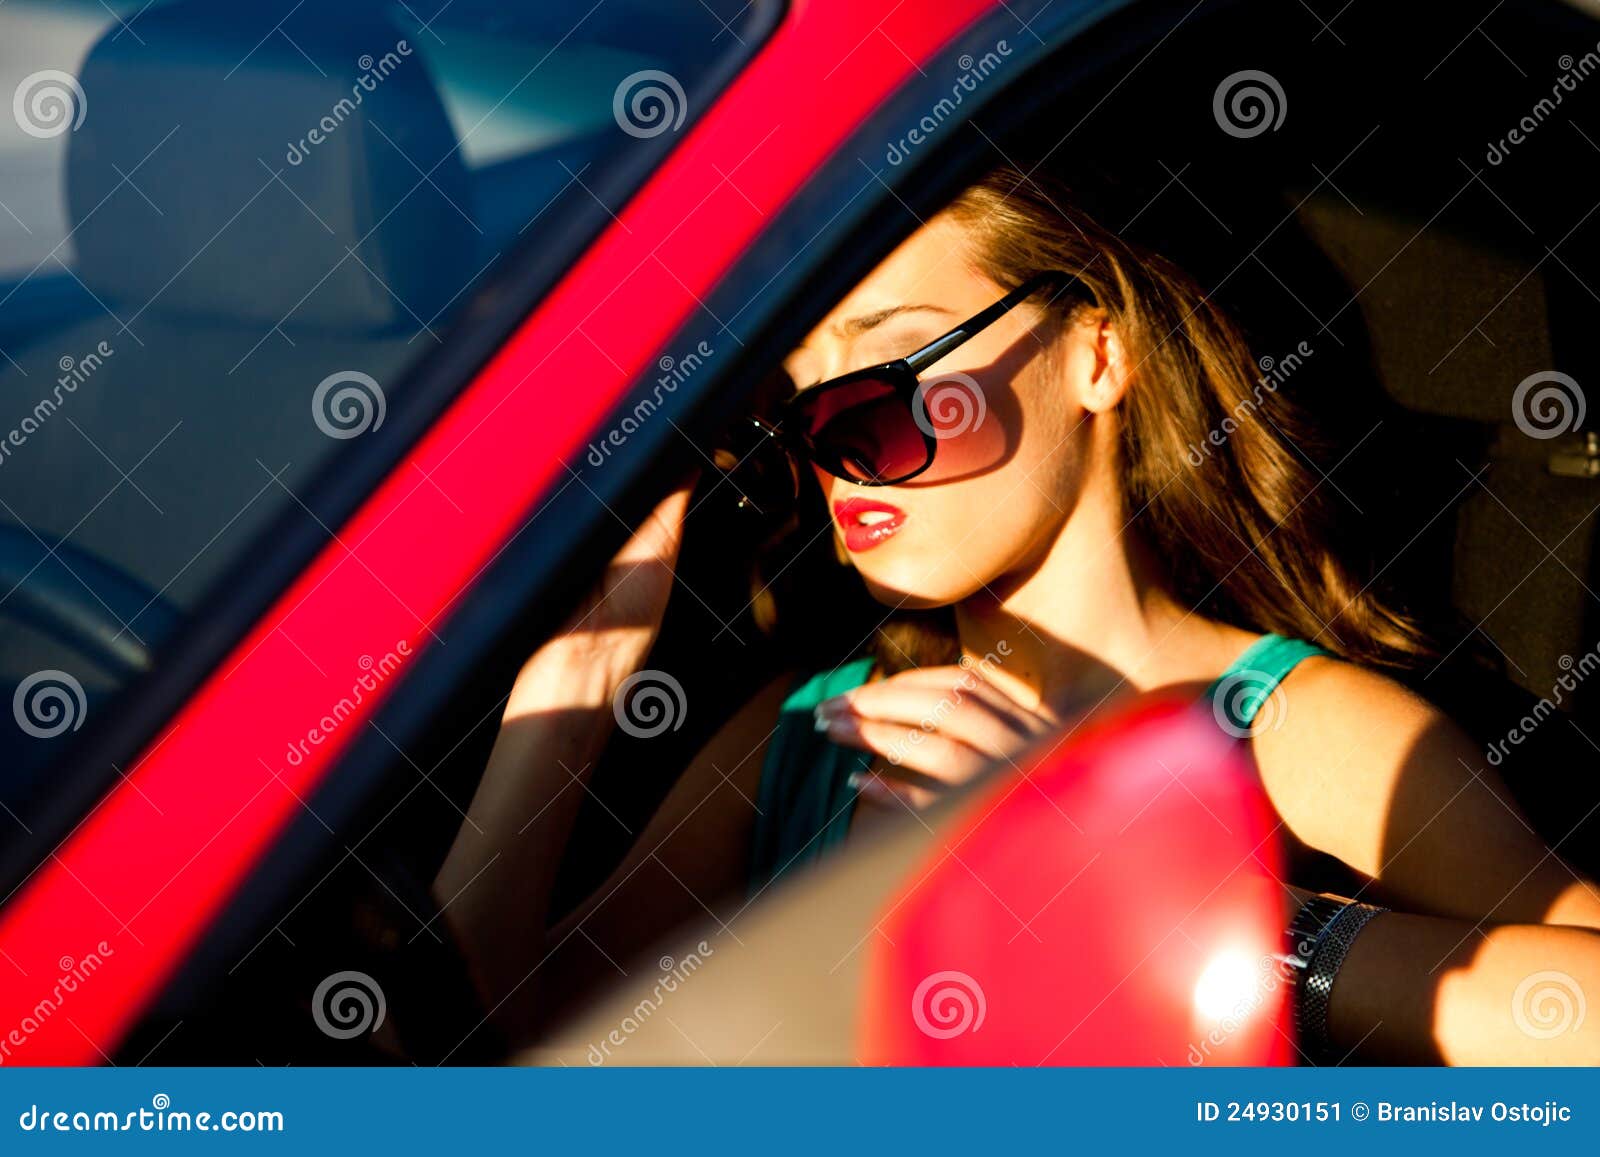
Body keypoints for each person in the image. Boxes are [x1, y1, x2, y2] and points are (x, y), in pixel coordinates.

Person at [434, 165, 1600, 1065]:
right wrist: (569, 693)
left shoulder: (1281, 726)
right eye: (801, 417)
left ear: (1097, 351)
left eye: (884, 387)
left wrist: (1163, 907)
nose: (839, 457)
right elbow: (499, 1045)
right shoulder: (813, 735)